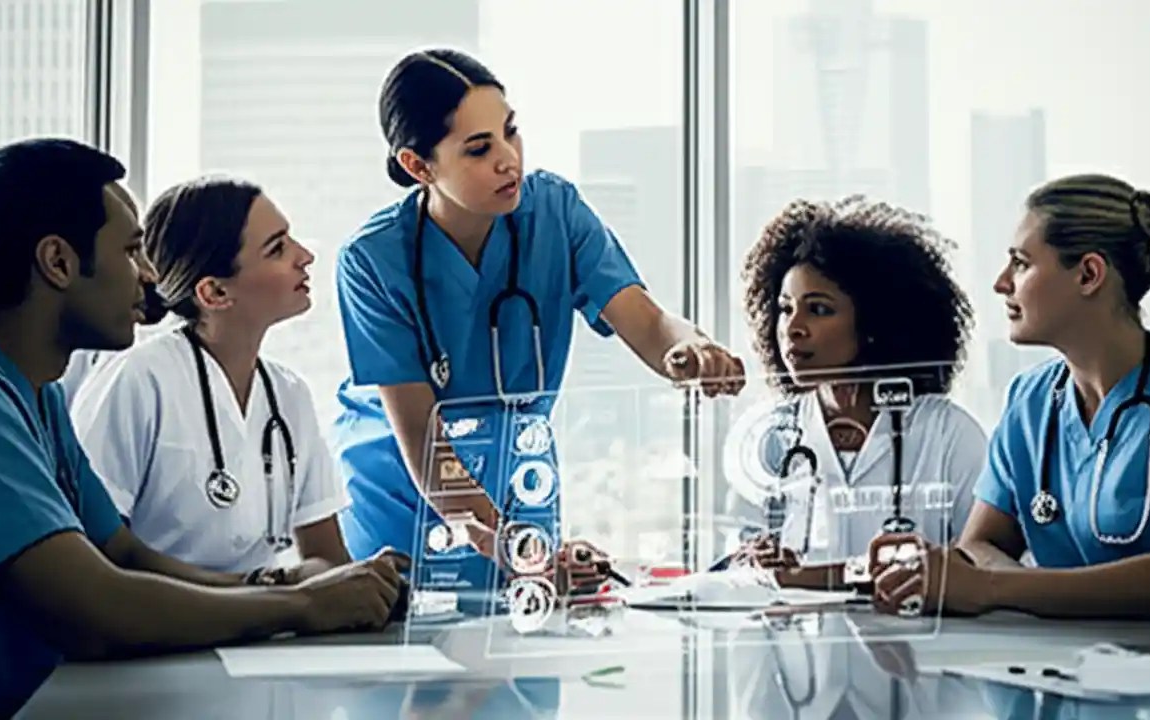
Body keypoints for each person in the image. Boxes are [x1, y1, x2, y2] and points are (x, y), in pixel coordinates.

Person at [0, 139, 404, 718]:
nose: (149, 277)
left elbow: (120, 551)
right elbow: (97, 605)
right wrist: (298, 605)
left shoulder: (35, 393)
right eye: (130, 252)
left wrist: (287, 586)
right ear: (58, 262)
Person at [330, 48, 744, 590]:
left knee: (524, 652)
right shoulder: (372, 261)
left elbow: (646, 320)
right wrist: (517, 547)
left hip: (514, 475)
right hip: (405, 494)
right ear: (418, 165)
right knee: (411, 653)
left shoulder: (555, 212)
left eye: (511, 132)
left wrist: (690, 351)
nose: (509, 159)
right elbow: (423, 441)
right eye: (479, 149)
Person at [871, 173, 1150, 626]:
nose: (1001, 283)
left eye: (1020, 263)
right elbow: (979, 545)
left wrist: (994, 588)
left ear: (1089, 274)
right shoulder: (1030, 402)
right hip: (1070, 673)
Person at [721, 196, 988, 720]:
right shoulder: (770, 437)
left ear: (874, 323)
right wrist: (753, 562)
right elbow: (738, 563)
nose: (792, 328)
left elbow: (982, 566)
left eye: (818, 309)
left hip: (918, 682)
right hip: (797, 682)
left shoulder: (947, 434)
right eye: (784, 309)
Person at [70, 175, 353, 581]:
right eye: (277, 248)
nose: (305, 256)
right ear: (214, 294)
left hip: (260, 629)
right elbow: (98, 559)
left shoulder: (288, 394)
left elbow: (328, 558)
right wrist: (264, 590)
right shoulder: (137, 381)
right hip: (157, 636)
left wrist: (282, 585)